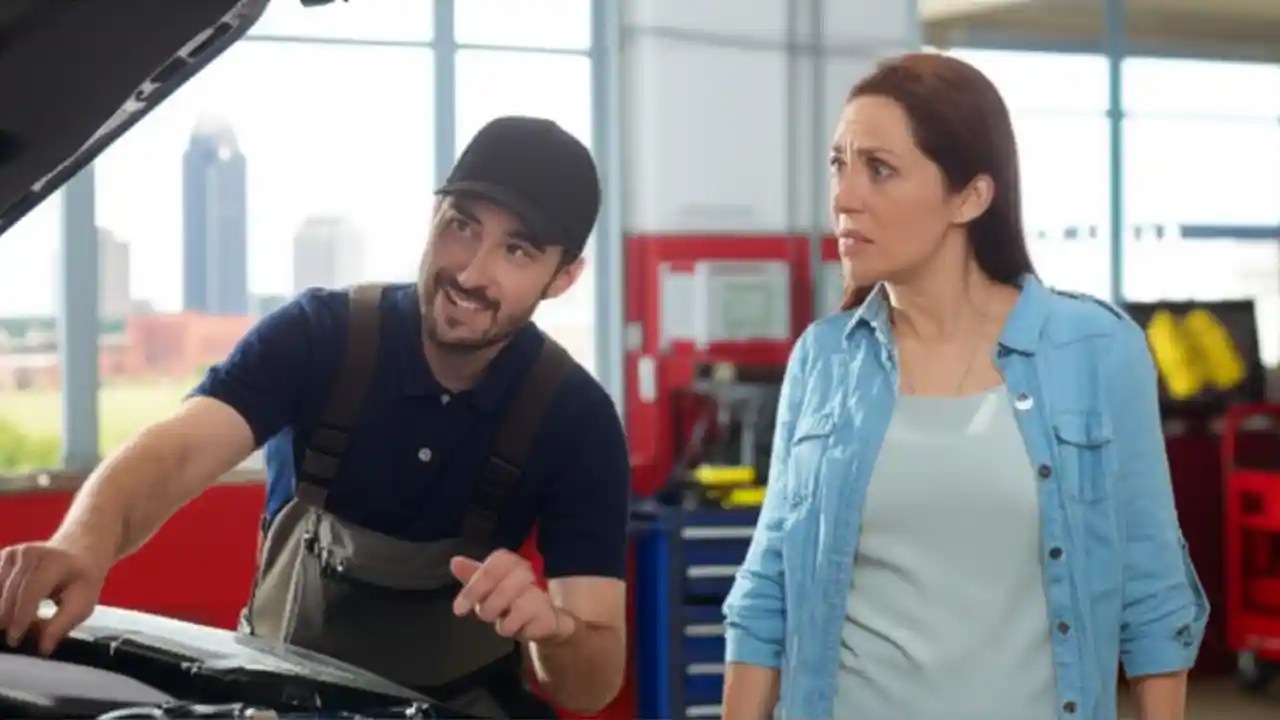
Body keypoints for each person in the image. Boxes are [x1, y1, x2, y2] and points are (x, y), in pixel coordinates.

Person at [0, 116, 631, 718]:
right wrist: (82, 544)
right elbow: (178, 449)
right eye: (462, 226)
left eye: (516, 251)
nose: (471, 271)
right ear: (433, 216)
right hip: (272, 703)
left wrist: (553, 630)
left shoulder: (576, 419)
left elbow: (591, 686)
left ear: (564, 276)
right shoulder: (322, 336)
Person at [721, 53, 1208, 720]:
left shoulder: (1097, 351)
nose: (844, 197)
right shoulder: (825, 361)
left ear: (970, 196)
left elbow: (1153, 597)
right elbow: (767, 591)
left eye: (880, 169)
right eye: (839, 164)